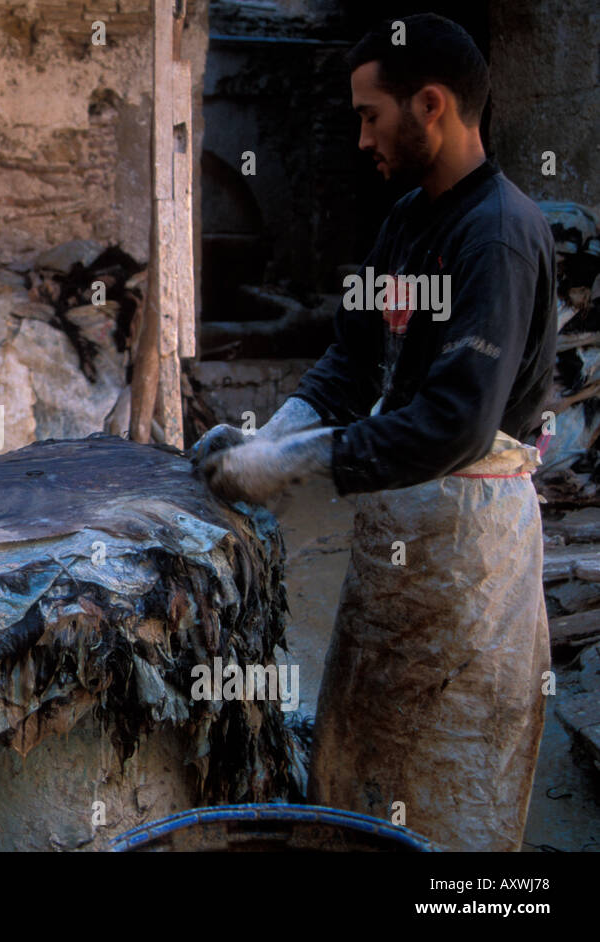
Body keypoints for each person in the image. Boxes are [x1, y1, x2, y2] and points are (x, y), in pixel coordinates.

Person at [192, 15, 556, 851]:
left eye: (369, 115)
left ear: (431, 105)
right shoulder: (404, 222)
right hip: (397, 542)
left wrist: (301, 464)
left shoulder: (495, 234)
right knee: (361, 756)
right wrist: (274, 434)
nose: (360, 138)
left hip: (470, 550)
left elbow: (456, 422)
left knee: (454, 785)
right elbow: (353, 364)